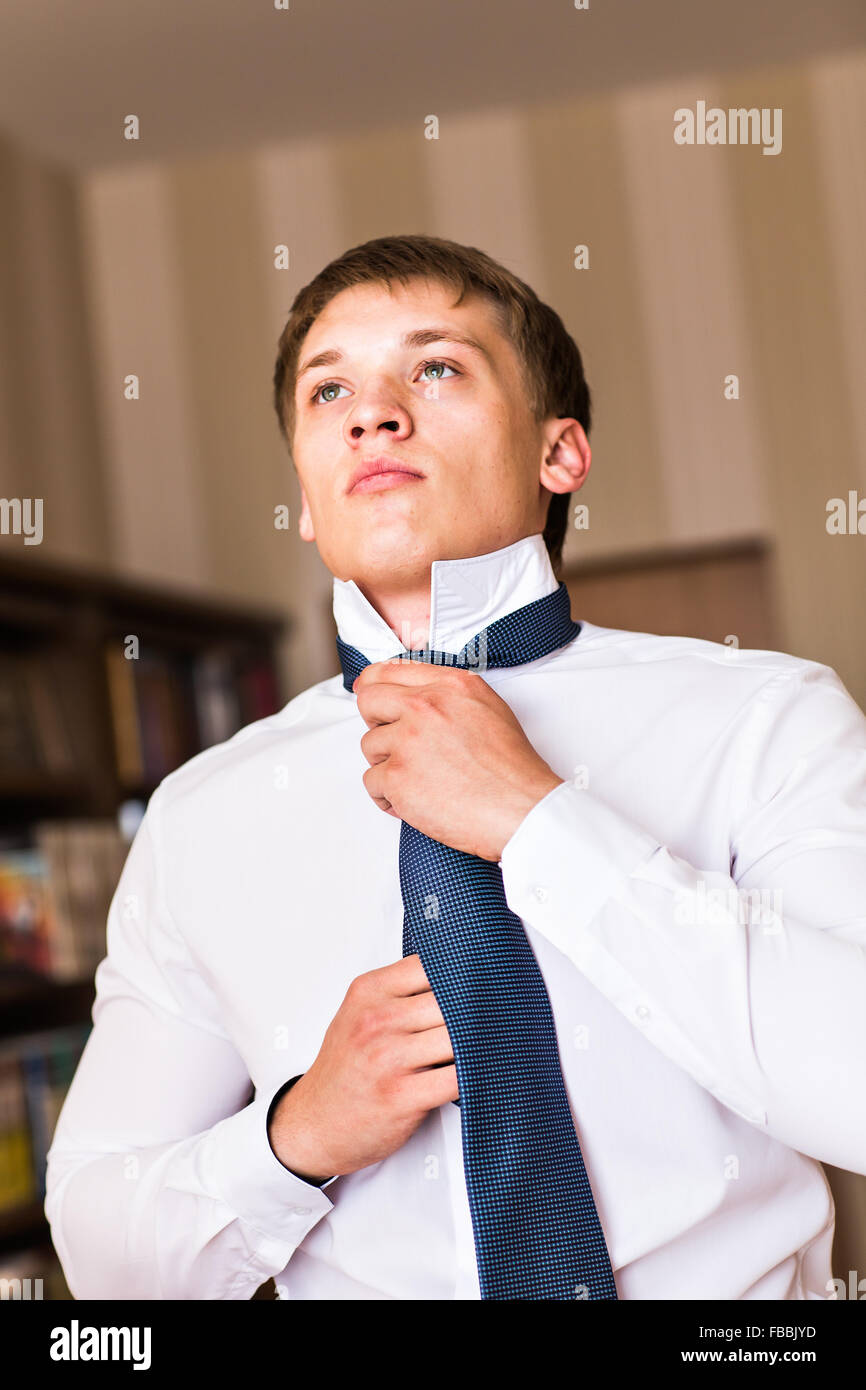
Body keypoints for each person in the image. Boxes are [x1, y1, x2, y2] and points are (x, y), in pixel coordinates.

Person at [45, 234, 866, 1301]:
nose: (371, 411)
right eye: (327, 387)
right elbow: (101, 1252)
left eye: (435, 368)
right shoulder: (203, 815)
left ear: (558, 451)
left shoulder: (764, 716)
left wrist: (538, 822)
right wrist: (296, 1134)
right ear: (302, 491)